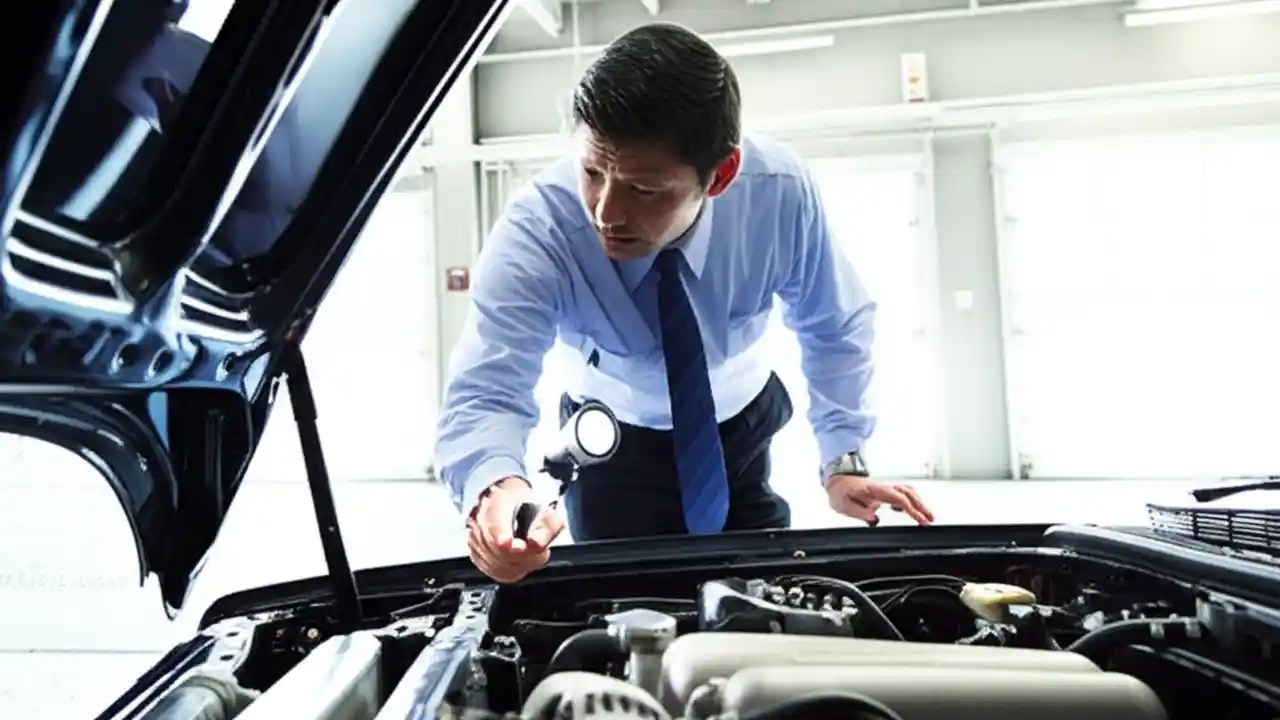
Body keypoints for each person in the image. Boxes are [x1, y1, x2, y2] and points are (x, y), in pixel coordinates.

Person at [434, 22, 935, 584]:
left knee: (766, 602)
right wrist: (497, 490)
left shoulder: (780, 194)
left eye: (644, 190)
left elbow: (835, 324)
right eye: (593, 172)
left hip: (743, 432)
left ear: (720, 175)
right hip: (611, 445)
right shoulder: (541, 229)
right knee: (622, 612)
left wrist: (844, 461)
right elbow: (487, 387)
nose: (605, 211)